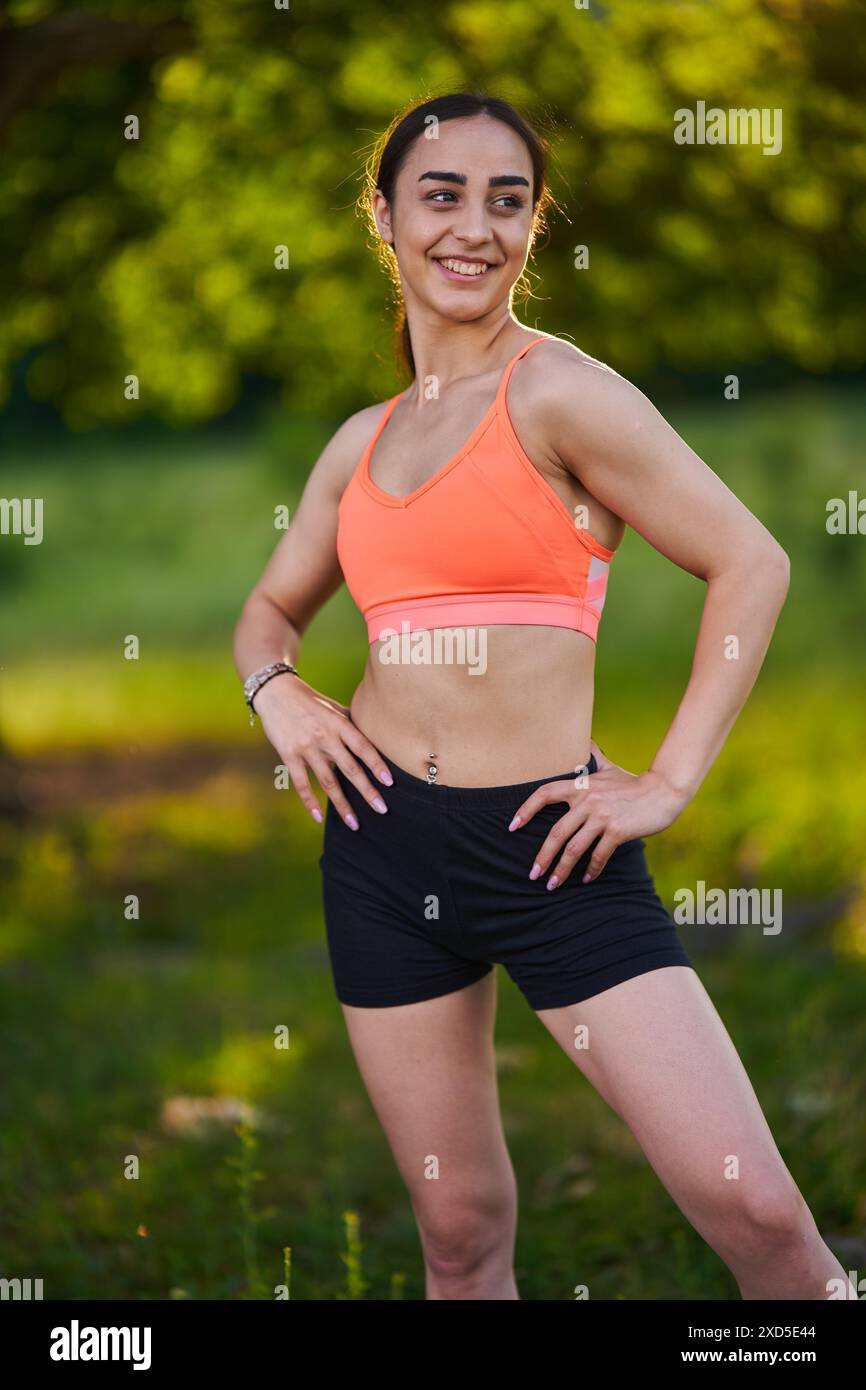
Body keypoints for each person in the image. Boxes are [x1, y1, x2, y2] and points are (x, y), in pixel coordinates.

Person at [233, 92, 849, 1301]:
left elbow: (750, 561)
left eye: (505, 201)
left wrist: (667, 780)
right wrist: (279, 693)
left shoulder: (559, 394)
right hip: (377, 849)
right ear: (385, 216)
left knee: (755, 1208)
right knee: (457, 1233)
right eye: (441, 194)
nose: (474, 227)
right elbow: (269, 612)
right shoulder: (357, 443)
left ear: (532, 225)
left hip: (546, 848)